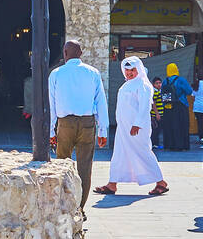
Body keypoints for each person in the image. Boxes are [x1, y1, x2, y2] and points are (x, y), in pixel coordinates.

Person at [48, 40, 108, 212]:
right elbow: (101, 103)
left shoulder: (56, 74)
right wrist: (102, 130)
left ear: (64, 53)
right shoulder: (93, 73)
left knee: (62, 164)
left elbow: (51, 105)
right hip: (87, 123)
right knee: (85, 167)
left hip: (65, 124)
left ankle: (63, 207)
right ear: (81, 54)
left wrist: (52, 130)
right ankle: (80, 208)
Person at [94, 56, 167, 197]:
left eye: (132, 70)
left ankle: (161, 182)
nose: (129, 73)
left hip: (137, 129)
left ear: (138, 69)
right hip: (123, 129)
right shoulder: (126, 85)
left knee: (143, 153)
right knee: (119, 154)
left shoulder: (143, 85)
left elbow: (144, 107)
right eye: (127, 70)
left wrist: (137, 124)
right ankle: (112, 183)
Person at [163, 63, 194, 151]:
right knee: (182, 126)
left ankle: (170, 145)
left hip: (169, 107)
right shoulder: (181, 80)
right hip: (181, 105)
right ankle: (181, 145)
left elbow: (163, 94)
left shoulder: (165, 81)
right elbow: (189, 91)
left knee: (170, 126)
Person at [151, 77, 165, 149]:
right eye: (157, 83)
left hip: (161, 113)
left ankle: (156, 143)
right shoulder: (154, 92)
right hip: (155, 115)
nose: (159, 85)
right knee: (155, 130)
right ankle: (154, 144)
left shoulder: (161, 91)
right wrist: (157, 114)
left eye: (160, 83)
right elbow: (153, 104)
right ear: (153, 84)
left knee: (159, 129)